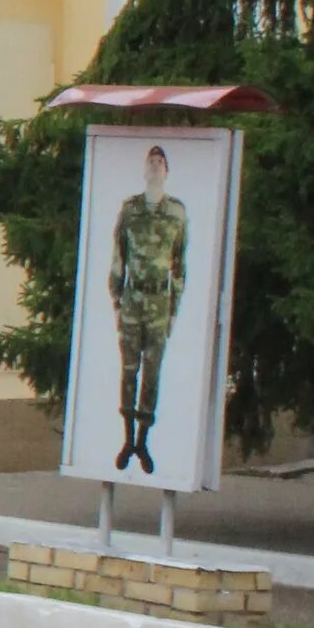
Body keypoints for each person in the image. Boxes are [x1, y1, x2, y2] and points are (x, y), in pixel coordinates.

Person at [110, 145, 190, 475]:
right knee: (129, 369)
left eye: (161, 162)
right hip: (132, 299)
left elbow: (180, 264)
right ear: (145, 171)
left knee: (152, 371)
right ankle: (127, 439)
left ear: (166, 171)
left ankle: (143, 440)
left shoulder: (177, 212)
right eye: (151, 162)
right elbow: (118, 256)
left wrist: (174, 310)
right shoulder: (129, 210)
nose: (155, 166)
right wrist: (116, 301)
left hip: (159, 302)